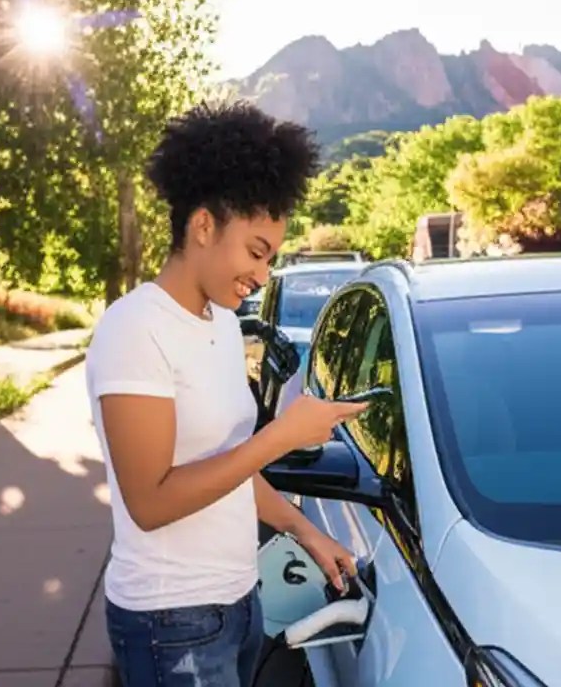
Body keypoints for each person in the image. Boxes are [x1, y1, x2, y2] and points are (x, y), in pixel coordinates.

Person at [86, 101, 369, 687]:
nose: (264, 275)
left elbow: (228, 465)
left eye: (272, 258)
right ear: (204, 226)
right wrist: (279, 438)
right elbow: (151, 502)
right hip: (172, 621)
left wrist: (304, 530)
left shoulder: (219, 321)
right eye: (257, 252)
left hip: (239, 604)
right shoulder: (134, 328)